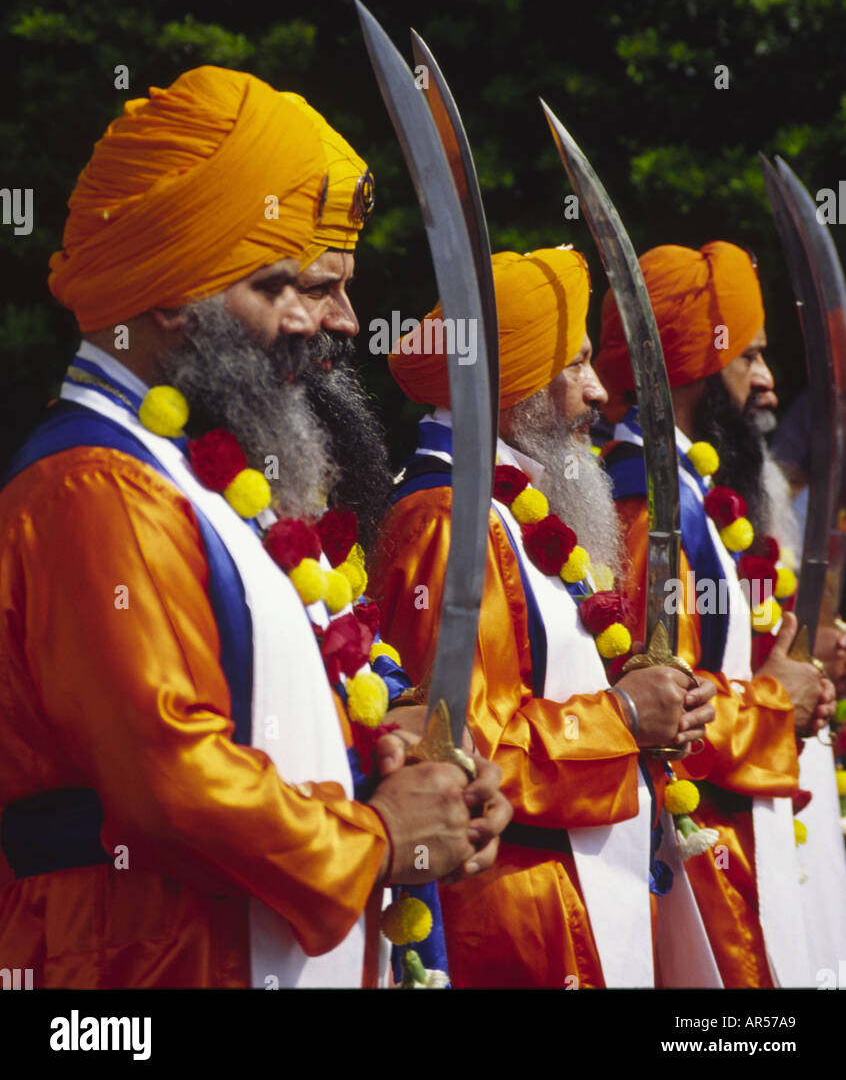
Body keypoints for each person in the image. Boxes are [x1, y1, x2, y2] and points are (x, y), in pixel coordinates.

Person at [0, 66, 510, 989]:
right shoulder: (94, 487)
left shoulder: (208, 480)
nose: (341, 323)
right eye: (294, 287)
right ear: (170, 294)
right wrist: (381, 833)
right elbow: (171, 782)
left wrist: (374, 749)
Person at [369, 246, 715, 988]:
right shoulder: (446, 519)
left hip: (579, 894)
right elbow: (462, 746)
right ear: (512, 383)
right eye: (575, 365)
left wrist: (663, 699)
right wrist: (625, 715)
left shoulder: (514, 512)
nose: (598, 392)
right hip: (515, 917)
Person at [598, 239, 840, 986]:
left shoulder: (697, 490)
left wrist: (799, 668)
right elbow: (667, 709)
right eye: (751, 358)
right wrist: (776, 701)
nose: (769, 384)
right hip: (706, 865)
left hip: (748, 837)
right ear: (699, 366)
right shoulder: (650, 503)